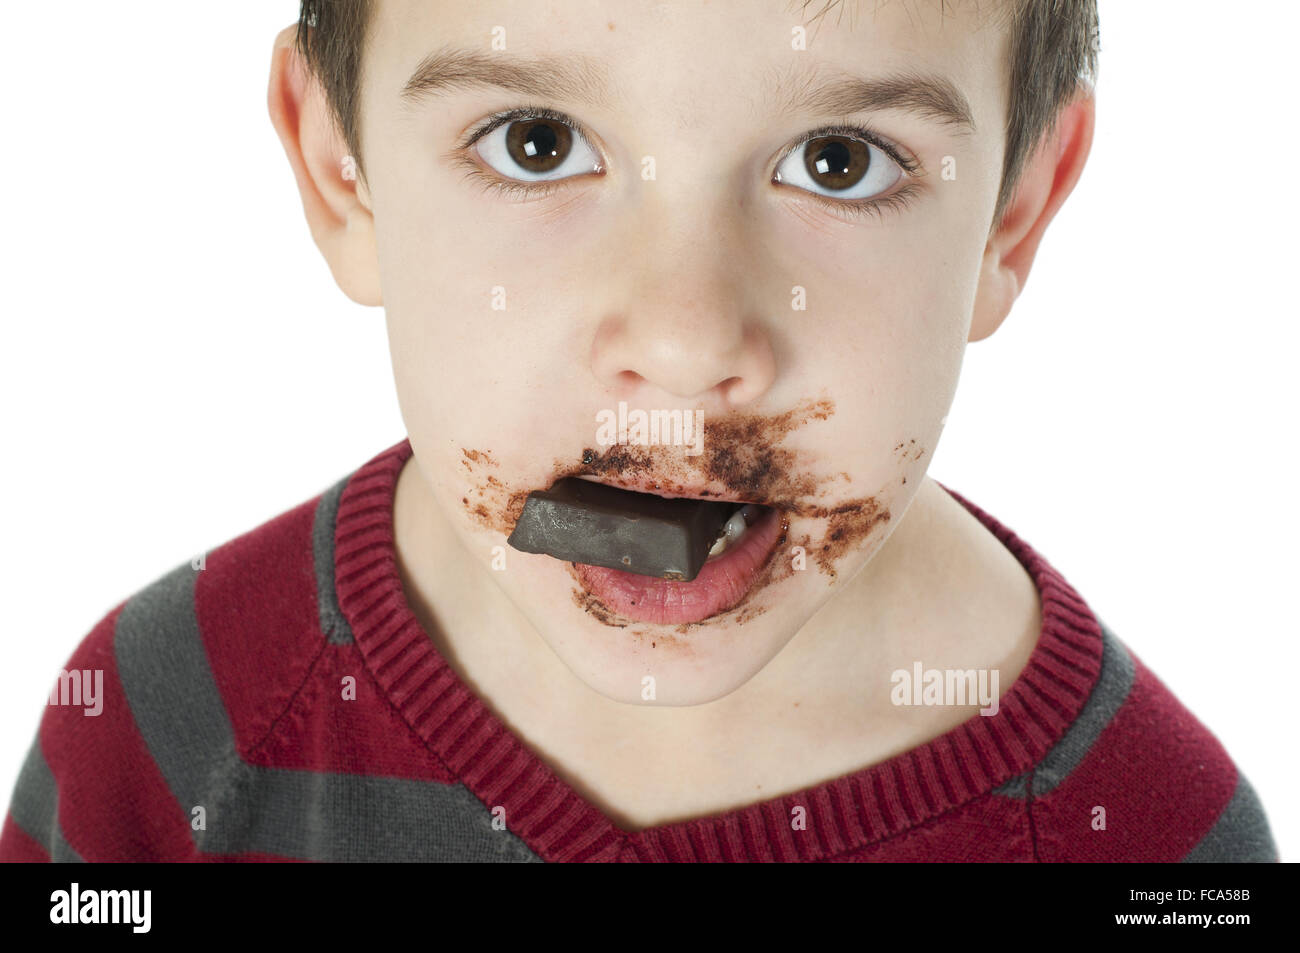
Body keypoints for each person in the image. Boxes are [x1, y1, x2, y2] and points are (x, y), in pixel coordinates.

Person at [0, 0, 1276, 862]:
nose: (683, 338)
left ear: (1014, 212)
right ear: (344, 173)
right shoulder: (166, 723)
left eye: (839, 159)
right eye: (536, 142)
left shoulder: (1159, 839)